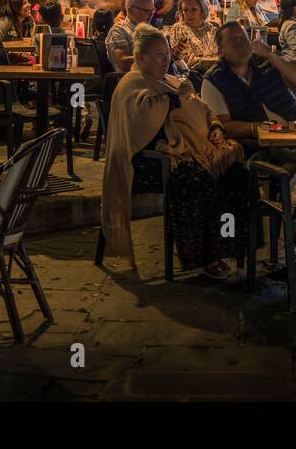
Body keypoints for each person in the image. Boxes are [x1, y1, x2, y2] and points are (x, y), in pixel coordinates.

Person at [100, 24, 252, 279]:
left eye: (167, 53)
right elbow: (140, 122)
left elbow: (203, 109)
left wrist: (214, 126)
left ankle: (231, 245)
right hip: (148, 162)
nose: (165, 59)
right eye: (159, 54)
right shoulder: (131, 84)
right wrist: (174, 99)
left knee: (235, 174)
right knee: (196, 180)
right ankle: (203, 257)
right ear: (141, 58)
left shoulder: (170, 80)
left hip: (191, 152)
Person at [201, 21, 296, 140]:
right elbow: (221, 125)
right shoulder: (214, 79)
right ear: (221, 51)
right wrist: (255, 128)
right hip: (262, 147)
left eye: (243, 39)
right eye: (233, 41)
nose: (240, 44)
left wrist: (271, 55)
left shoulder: (267, 62)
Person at [165, 0, 218, 70]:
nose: (189, 14)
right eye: (185, 10)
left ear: (202, 10)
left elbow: (220, 54)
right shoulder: (178, 29)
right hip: (191, 74)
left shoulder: (211, 28)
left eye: (194, 9)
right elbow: (185, 61)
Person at [106, 0, 157, 72]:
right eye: (147, 11)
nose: (151, 15)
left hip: (151, 78)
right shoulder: (119, 30)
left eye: (152, 11)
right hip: (133, 81)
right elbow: (122, 62)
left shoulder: (150, 31)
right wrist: (153, 58)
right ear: (131, 11)